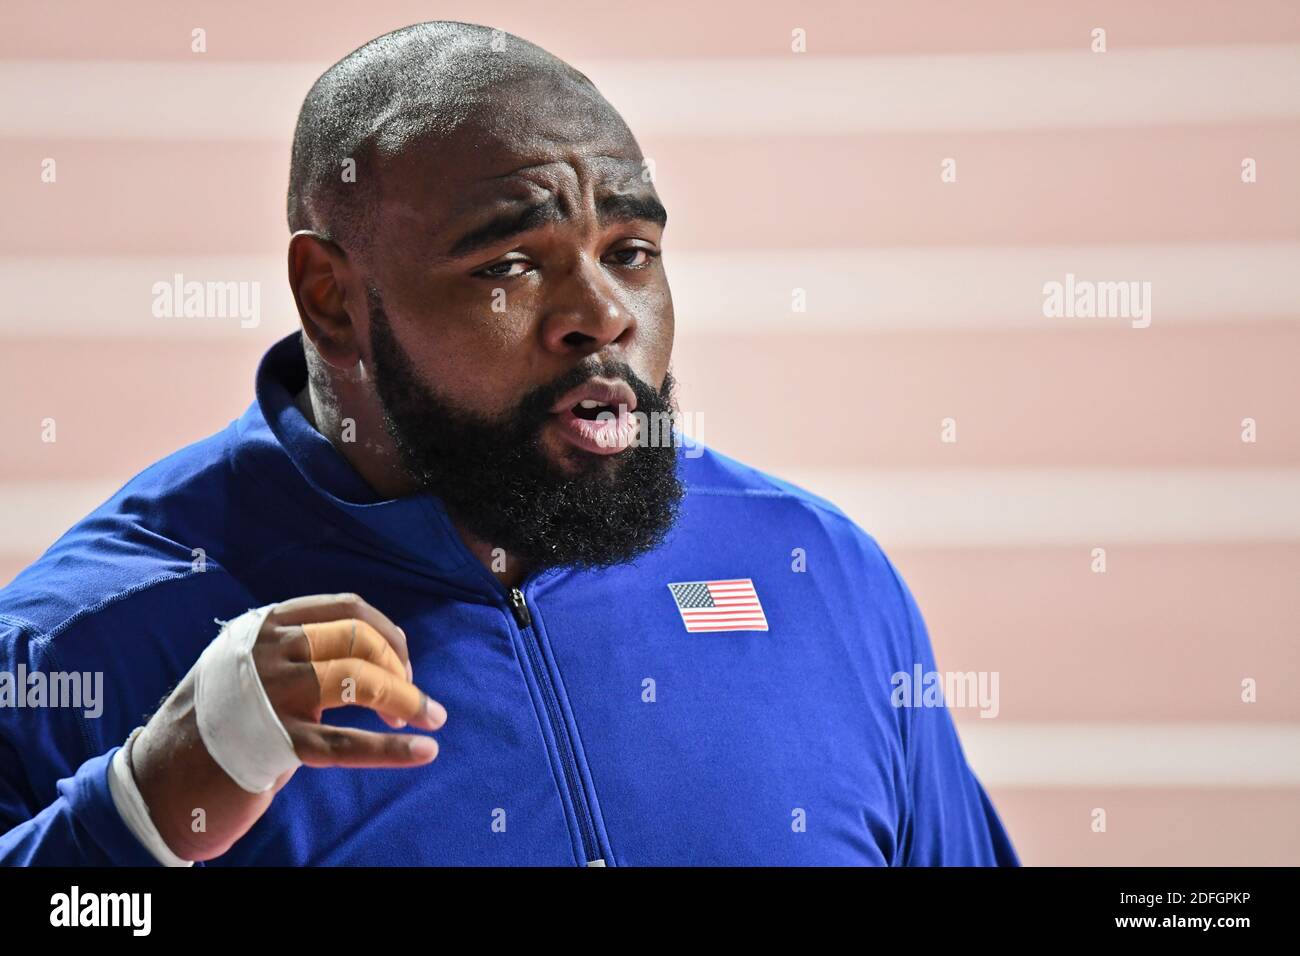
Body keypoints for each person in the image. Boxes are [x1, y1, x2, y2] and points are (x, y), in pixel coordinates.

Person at [0, 20, 1018, 866]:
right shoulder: (82, 638)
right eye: (509, 264)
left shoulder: (815, 569)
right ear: (332, 298)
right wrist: (142, 805)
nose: (602, 314)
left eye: (630, 252)